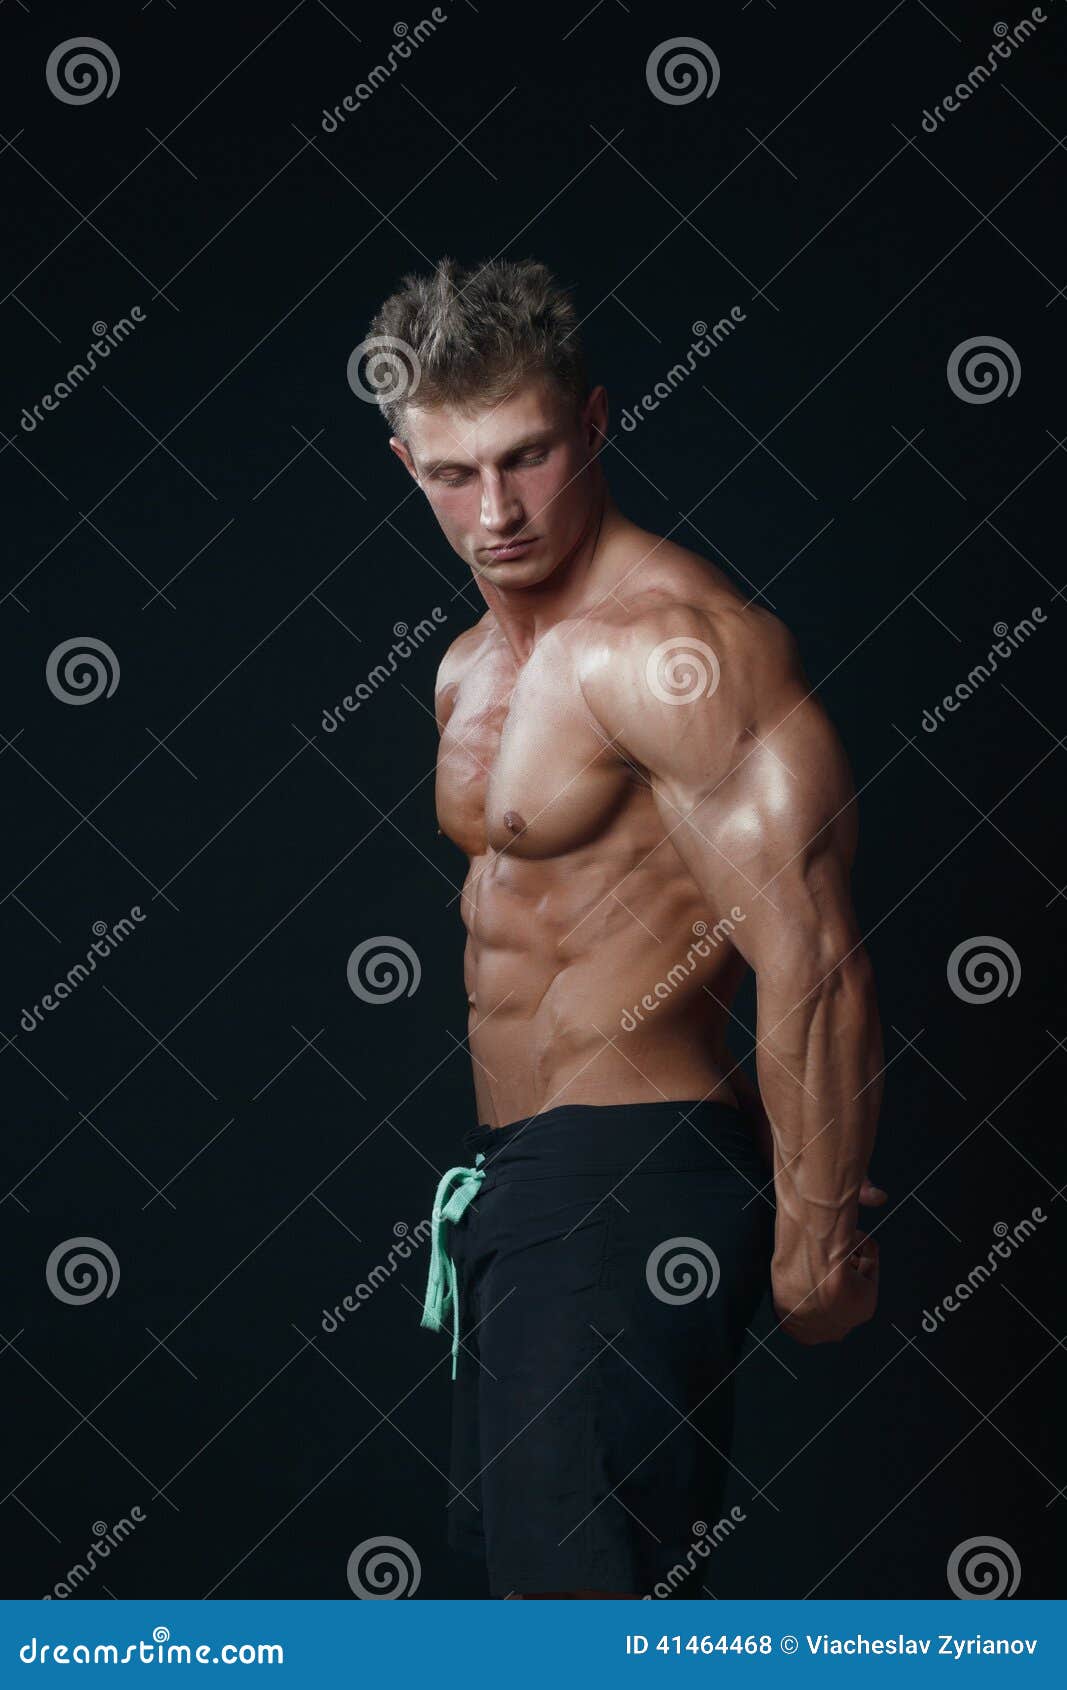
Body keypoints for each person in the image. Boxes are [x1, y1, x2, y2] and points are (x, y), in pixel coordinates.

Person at [366, 257, 886, 1599]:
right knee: (540, 1611)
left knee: (576, 1626)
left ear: (593, 424)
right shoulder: (468, 669)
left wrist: (815, 1233)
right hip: (522, 1190)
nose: (497, 511)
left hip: (629, 1178)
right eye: (454, 474)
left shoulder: (671, 650)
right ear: (408, 463)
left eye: (528, 457)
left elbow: (814, 953)